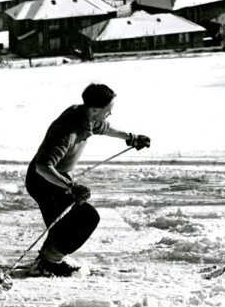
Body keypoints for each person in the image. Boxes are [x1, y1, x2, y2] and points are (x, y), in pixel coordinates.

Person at [25, 82, 150, 277]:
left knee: (65, 223)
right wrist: (70, 186)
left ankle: (48, 259)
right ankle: (49, 262)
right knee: (86, 217)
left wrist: (131, 138)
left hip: (56, 177)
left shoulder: (85, 116)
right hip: (42, 180)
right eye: (108, 110)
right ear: (95, 109)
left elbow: (103, 127)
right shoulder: (67, 131)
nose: (110, 114)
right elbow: (43, 166)